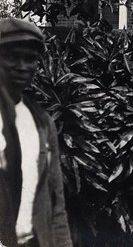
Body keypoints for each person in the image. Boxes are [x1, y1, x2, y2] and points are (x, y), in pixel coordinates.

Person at [0, 18, 71, 247]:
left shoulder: (42, 122)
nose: (22, 66)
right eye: (12, 56)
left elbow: (55, 203)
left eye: (30, 59)